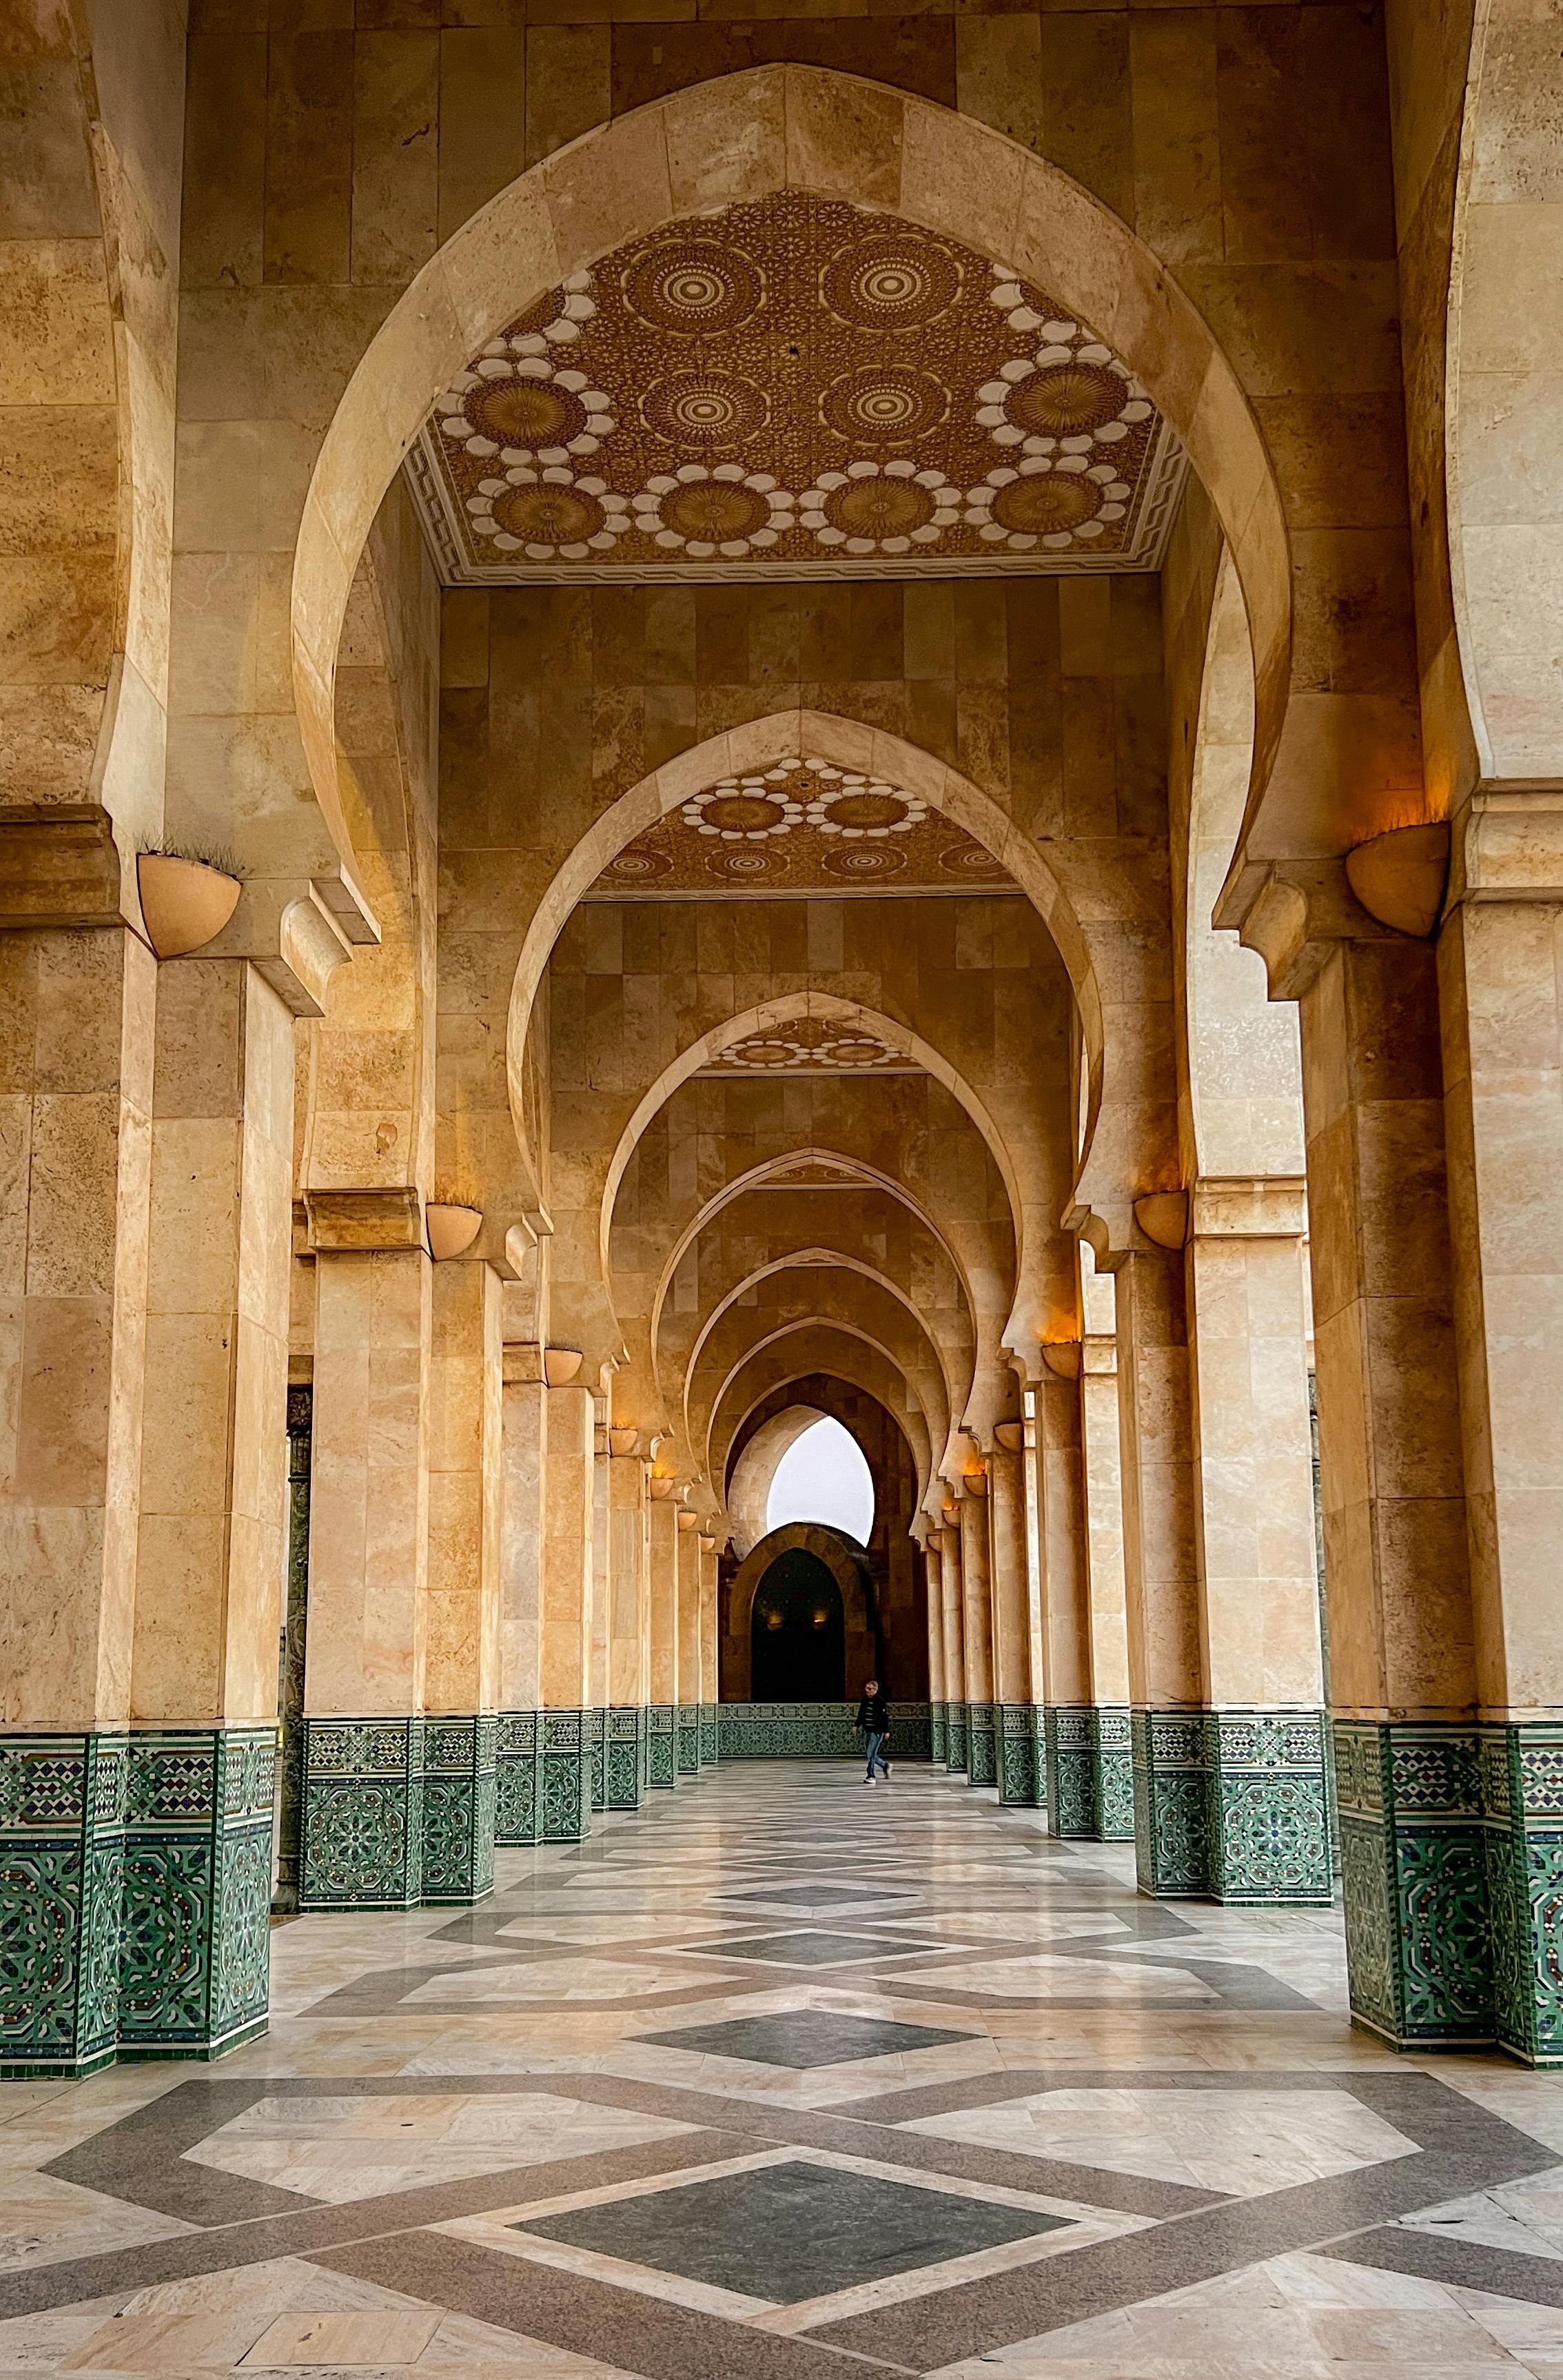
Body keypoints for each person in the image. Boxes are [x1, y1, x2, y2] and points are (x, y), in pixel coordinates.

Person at [855, 1680, 891, 1783]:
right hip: (867, 1731)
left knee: (871, 1754)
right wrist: (856, 1725)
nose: (867, 1690)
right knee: (870, 1754)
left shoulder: (880, 1701)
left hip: (877, 1732)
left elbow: (884, 1717)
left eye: (870, 1688)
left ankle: (871, 1775)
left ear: (875, 1690)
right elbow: (861, 1714)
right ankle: (885, 1766)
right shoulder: (864, 1700)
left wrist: (886, 1731)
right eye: (866, 1688)